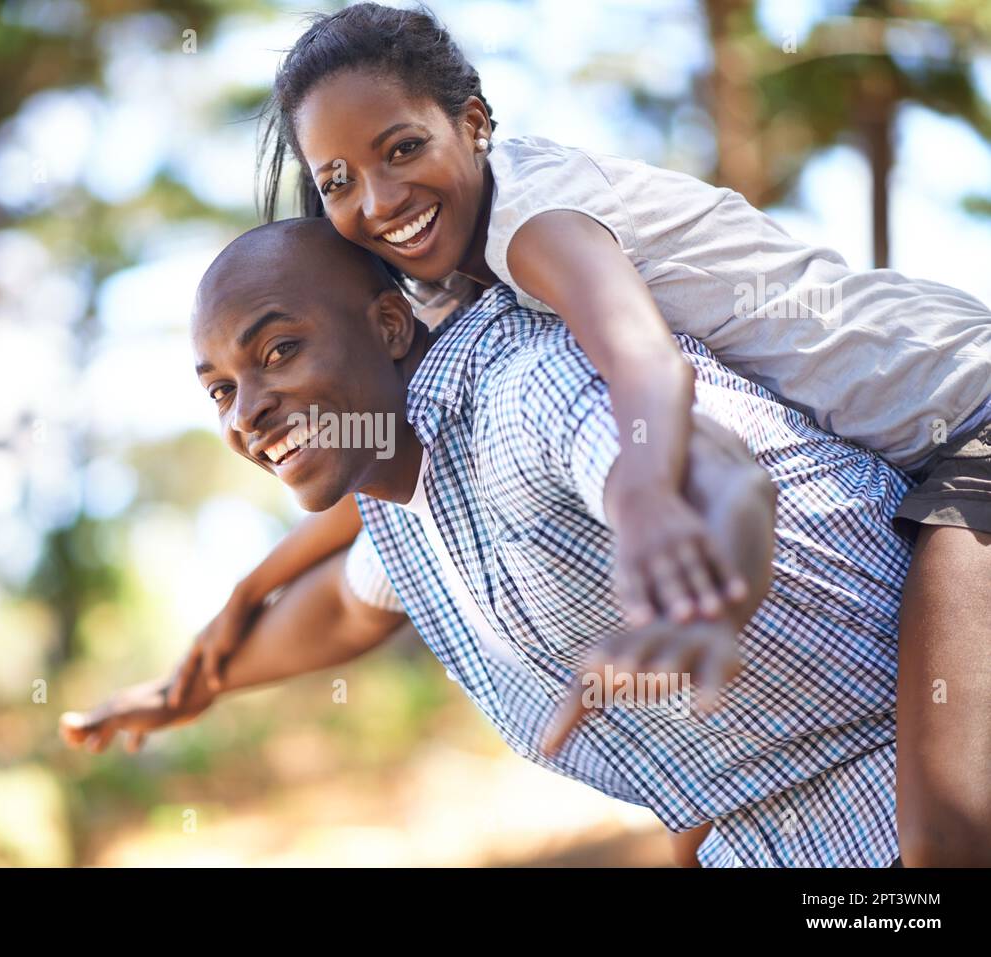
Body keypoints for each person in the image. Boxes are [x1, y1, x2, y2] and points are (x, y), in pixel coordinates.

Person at [175, 2, 991, 866]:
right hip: (910, 455)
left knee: (944, 837)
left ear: (476, 124)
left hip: (972, 417)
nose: (377, 198)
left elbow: (644, 366)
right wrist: (244, 595)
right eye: (336, 179)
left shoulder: (534, 223)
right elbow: (407, 483)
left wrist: (644, 499)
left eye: (403, 148)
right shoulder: (452, 284)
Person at [66, 219, 928, 866]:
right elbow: (342, 608)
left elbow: (690, 460)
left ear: (391, 327)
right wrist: (189, 690)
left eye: (279, 350)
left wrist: (711, 566)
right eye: (218, 389)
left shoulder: (521, 388)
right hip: (777, 835)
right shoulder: (409, 496)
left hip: (919, 780)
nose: (246, 410)